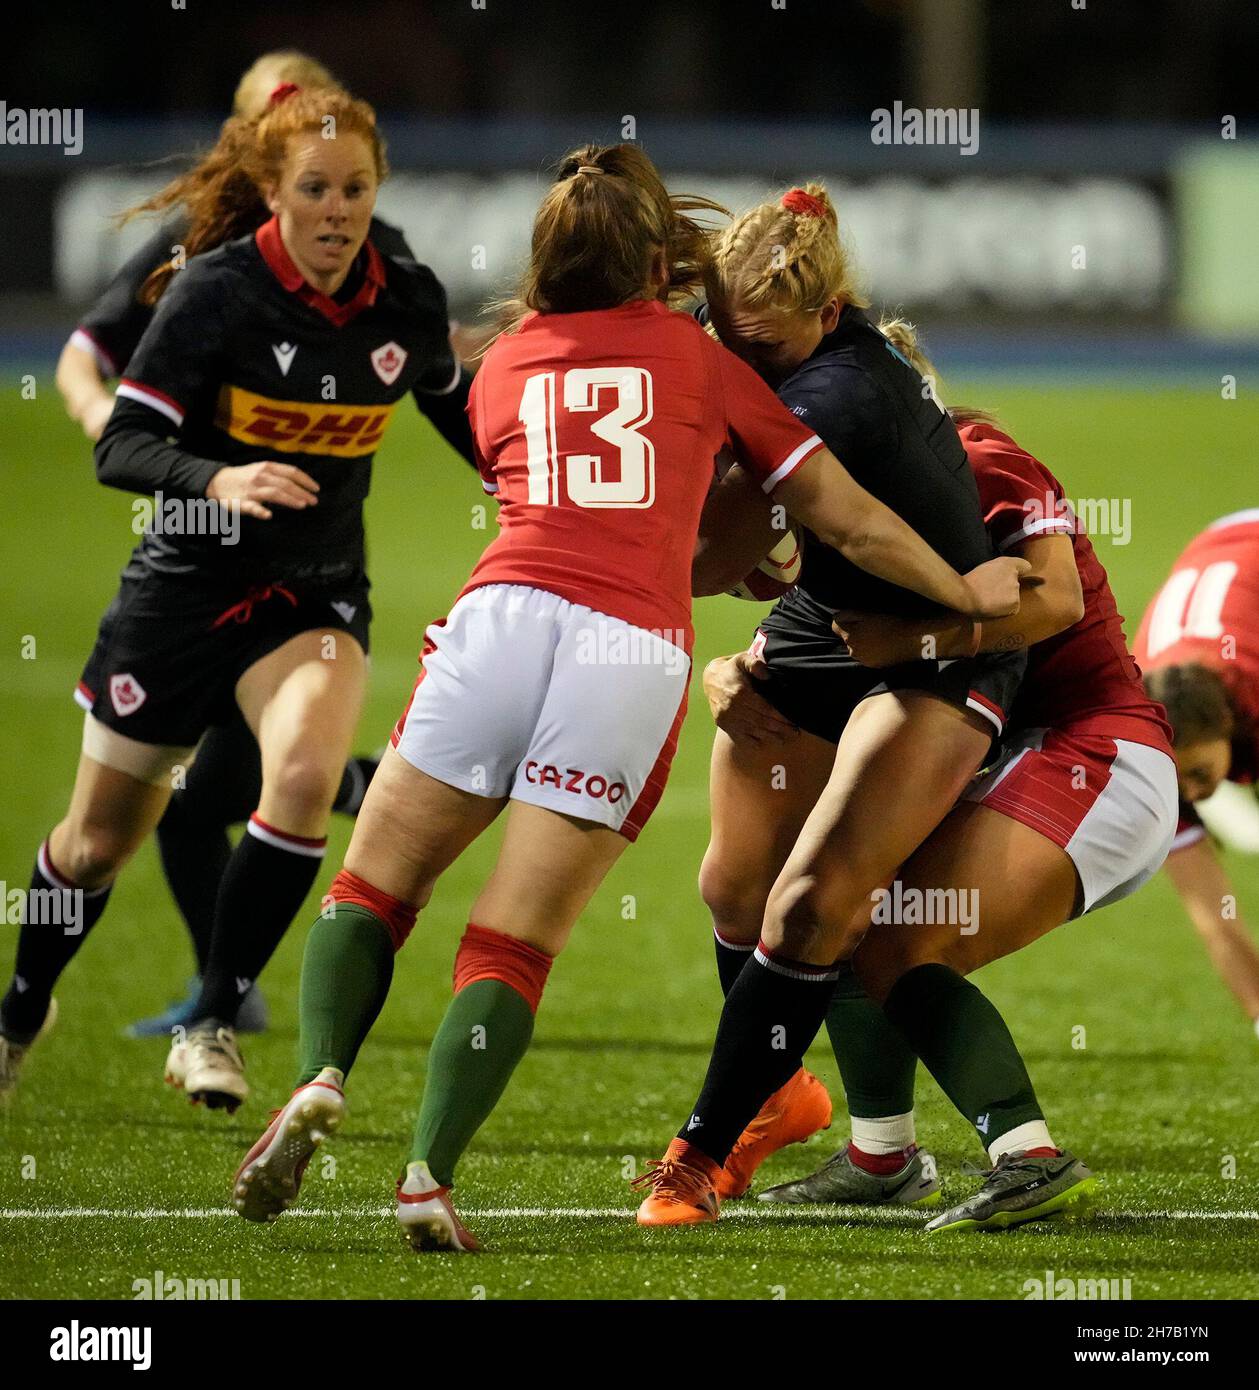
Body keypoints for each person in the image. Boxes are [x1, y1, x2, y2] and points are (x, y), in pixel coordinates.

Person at [229, 146, 1026, 1254]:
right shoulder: (702, 366)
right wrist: (960, 590)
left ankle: (318, 1068)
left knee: (371, 889)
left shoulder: (503, 363)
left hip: (499, 618)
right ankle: (426, 1173)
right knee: (510, 946)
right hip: (624, 645)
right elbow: (841, 517)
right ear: (661, 258)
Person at [631, 185, 1124, 1228]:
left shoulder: (844, 403)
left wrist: (932, 622)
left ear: (826, 314)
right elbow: (788, 556)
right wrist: (747, 647)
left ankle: (702, 1149)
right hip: (840, 621)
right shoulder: (802, 368)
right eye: (728, 335)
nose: (741, 356)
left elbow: (729, 551)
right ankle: (803, 1112)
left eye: (758, 343)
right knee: (732, 888)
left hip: (936, 660)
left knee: (823, 905)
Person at [0, 89, 466, 1111]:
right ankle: (21, 1011)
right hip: (180, 593)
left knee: (300, 777)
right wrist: (217, 479)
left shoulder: (406, 301)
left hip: (313, 598)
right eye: (314, 189)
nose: (337, 209)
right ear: (270, 190)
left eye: (355, 188)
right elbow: (121, 443)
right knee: (93, 846)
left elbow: (464, 418)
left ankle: (213, 1020)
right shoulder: (214, 290)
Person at [725, 380, 1177, 1229]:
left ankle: (1027, 1156)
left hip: (1094, 755)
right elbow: (816, 629)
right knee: (845, 913)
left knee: (900, 932)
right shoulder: (880, 497)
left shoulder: (976, 461)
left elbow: (1053, 603)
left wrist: (913, 639)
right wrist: (735, 665)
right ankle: (880, 1156)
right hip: (1038, 757)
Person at [1132, 510, 1259, 1035]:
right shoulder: (1145, 756)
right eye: (1177, 779)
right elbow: (1214, 915)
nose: (1189, 793)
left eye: (1202, 774)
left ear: (1228, 725)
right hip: (1221, 547)